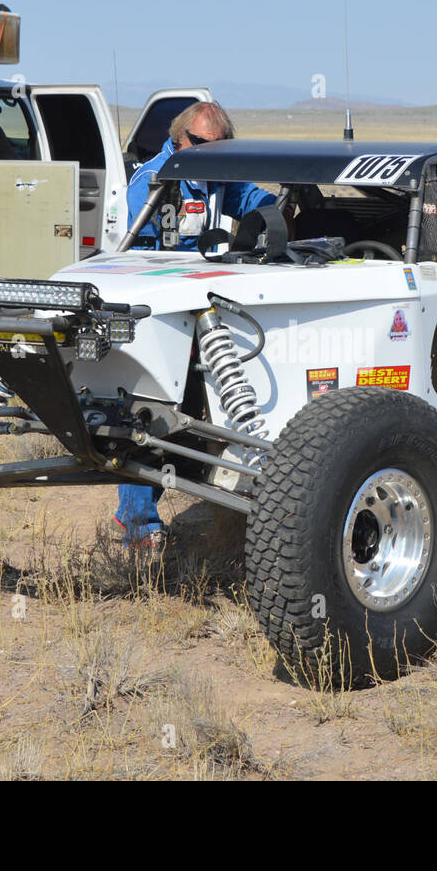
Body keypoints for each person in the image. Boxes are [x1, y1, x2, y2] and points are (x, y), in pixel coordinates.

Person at [113, 101, 276, 550]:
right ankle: (138, 524)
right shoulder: (154, 178)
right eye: (200, 144)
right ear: (179, 138)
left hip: (210, 307)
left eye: (218, 145)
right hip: (161, 311)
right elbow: (142, 252)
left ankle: (229, 502)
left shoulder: (222, 170)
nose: (209, 152)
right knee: (151, 413)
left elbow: (256, 200)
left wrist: (279, 210)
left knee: (201, 412)